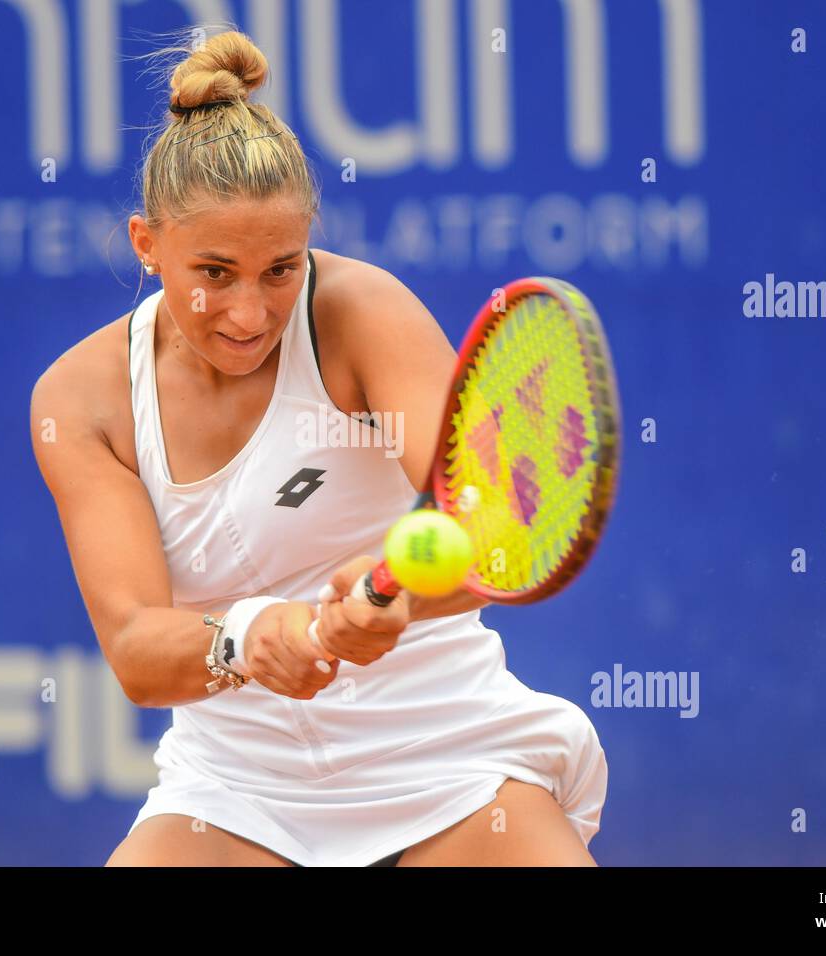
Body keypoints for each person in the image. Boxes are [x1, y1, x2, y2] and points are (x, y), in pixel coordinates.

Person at [30, 28, 607, 867]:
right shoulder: (80, 401)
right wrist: (250, 634)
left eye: (281, 270)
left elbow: (495, 528)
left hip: (454, 762)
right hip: (233, 795)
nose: (250, 313)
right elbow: (137, 652)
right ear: (146, 244)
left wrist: (402, 597)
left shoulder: (363, 313)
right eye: (215, 273)